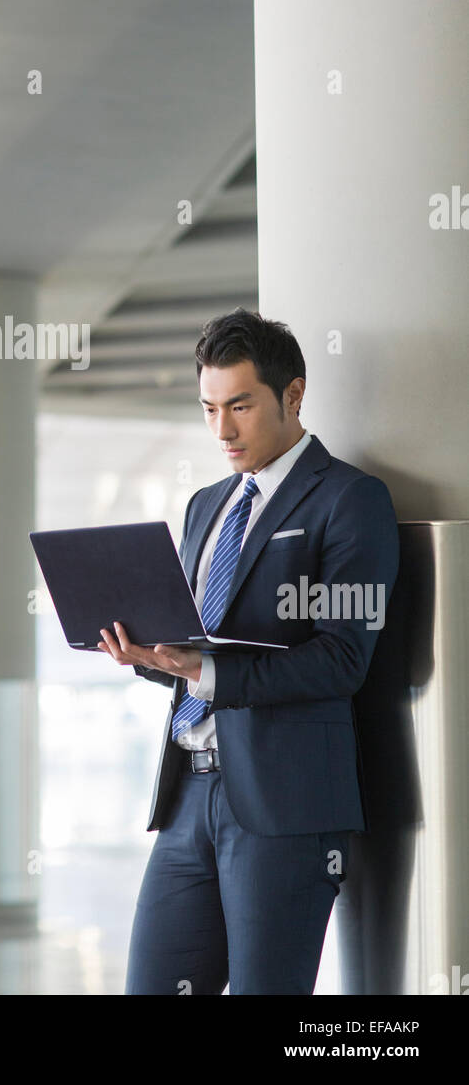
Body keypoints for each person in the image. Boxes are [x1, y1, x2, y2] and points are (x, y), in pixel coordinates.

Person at [98, 308, 399, 995]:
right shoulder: (205, 506)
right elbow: (193, 650)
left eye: (240, 406)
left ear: (293, 395)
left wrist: (205, 670)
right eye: (209, 409)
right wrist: (146, 654)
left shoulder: (350, 500)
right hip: (186, 794)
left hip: (283, 806)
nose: (222, 431)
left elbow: (342, 659)